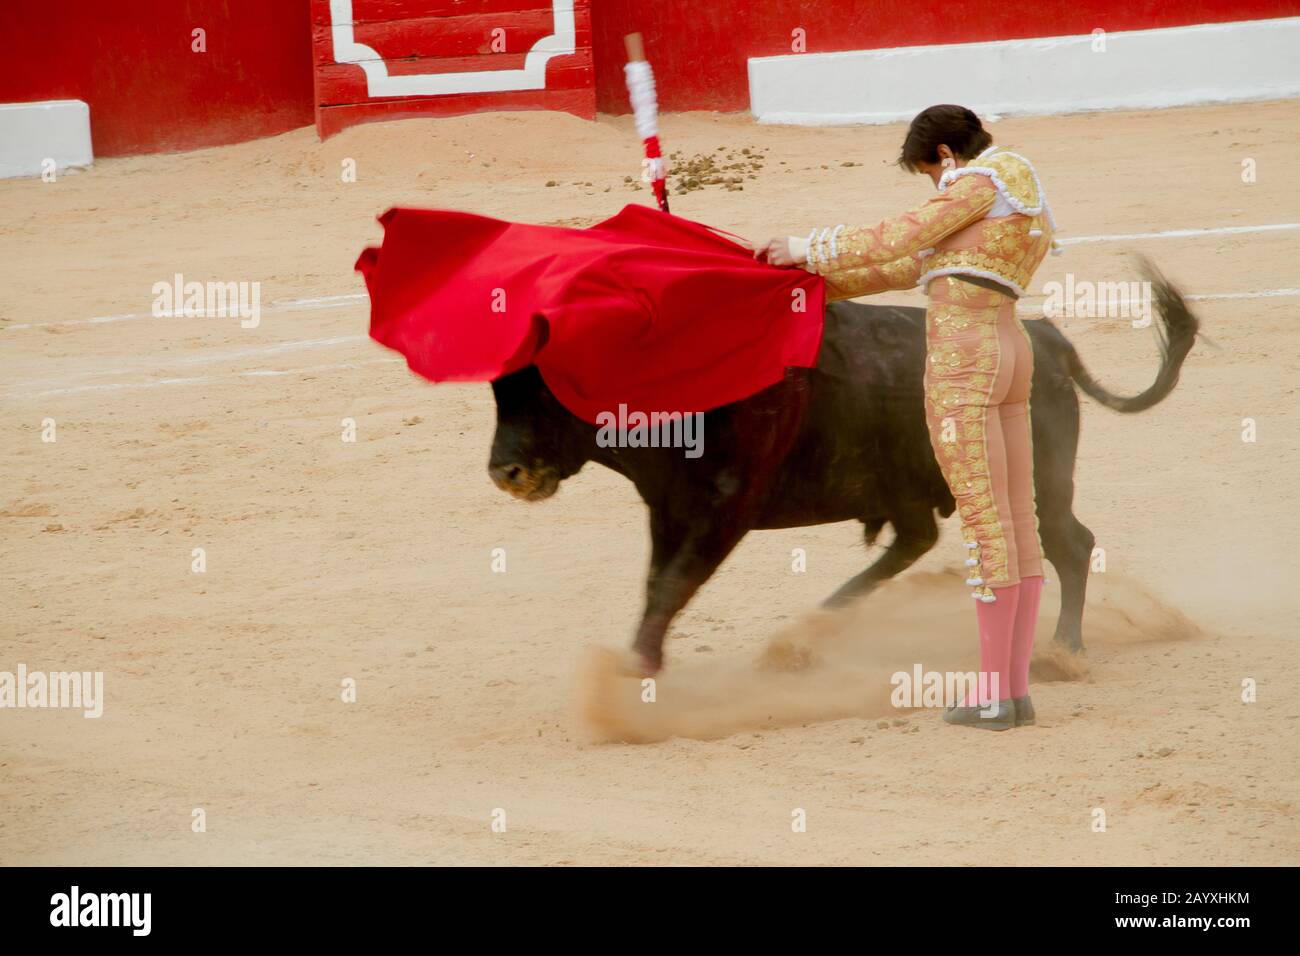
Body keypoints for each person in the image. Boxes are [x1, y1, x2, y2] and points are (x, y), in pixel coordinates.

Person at [755, 105, 1060, 730]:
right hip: (1011, 351)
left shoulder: (981, 181)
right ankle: (1013, 691)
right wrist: (809, 280)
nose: (932, 186)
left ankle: (997, 695)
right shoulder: (1011, 201)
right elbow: (902, 267)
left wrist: (804, 245)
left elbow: (899, 236)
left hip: (963, 361)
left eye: (928, 172)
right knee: (1016, 519)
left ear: (945, 154)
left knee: (985, 524)